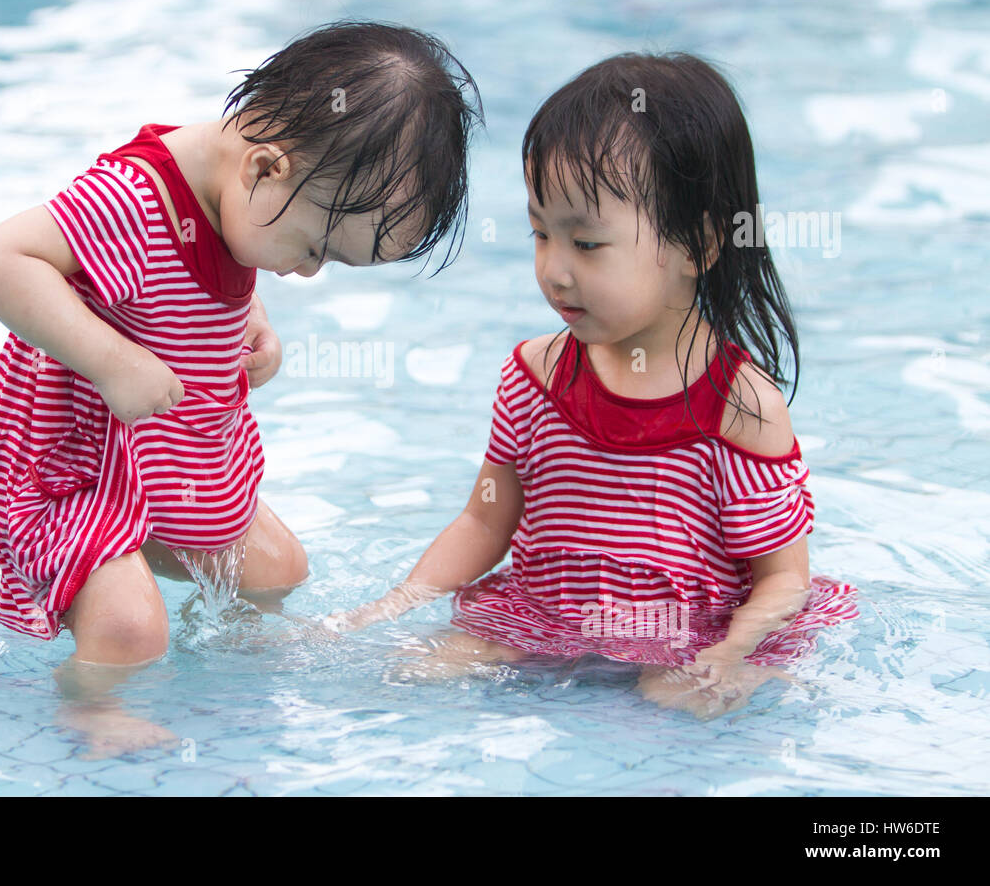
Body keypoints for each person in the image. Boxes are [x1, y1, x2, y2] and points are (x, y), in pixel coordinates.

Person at [327, 52, 857, 720]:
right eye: (540, 234)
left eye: (588, 244)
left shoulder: (738, 406)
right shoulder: (535, 376)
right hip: (544, 616)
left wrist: (734, 652)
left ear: (697, 245)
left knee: (668, 704)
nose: (554, 270)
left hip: (684, 636)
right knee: (412, 672)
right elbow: (485, 520)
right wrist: (392, 605)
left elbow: (783, 579)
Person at [0, 20, 483, 680]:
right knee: (129, 631)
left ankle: (210, 651)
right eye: (315, 249)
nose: (308, 271)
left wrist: (247, 318)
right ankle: (92, 720)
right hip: (70, 465)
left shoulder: (236, 193)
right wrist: (112, 361)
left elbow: (192, 274)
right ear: (266, 167)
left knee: (275, 574)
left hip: (160, 452)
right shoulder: (130, 199)